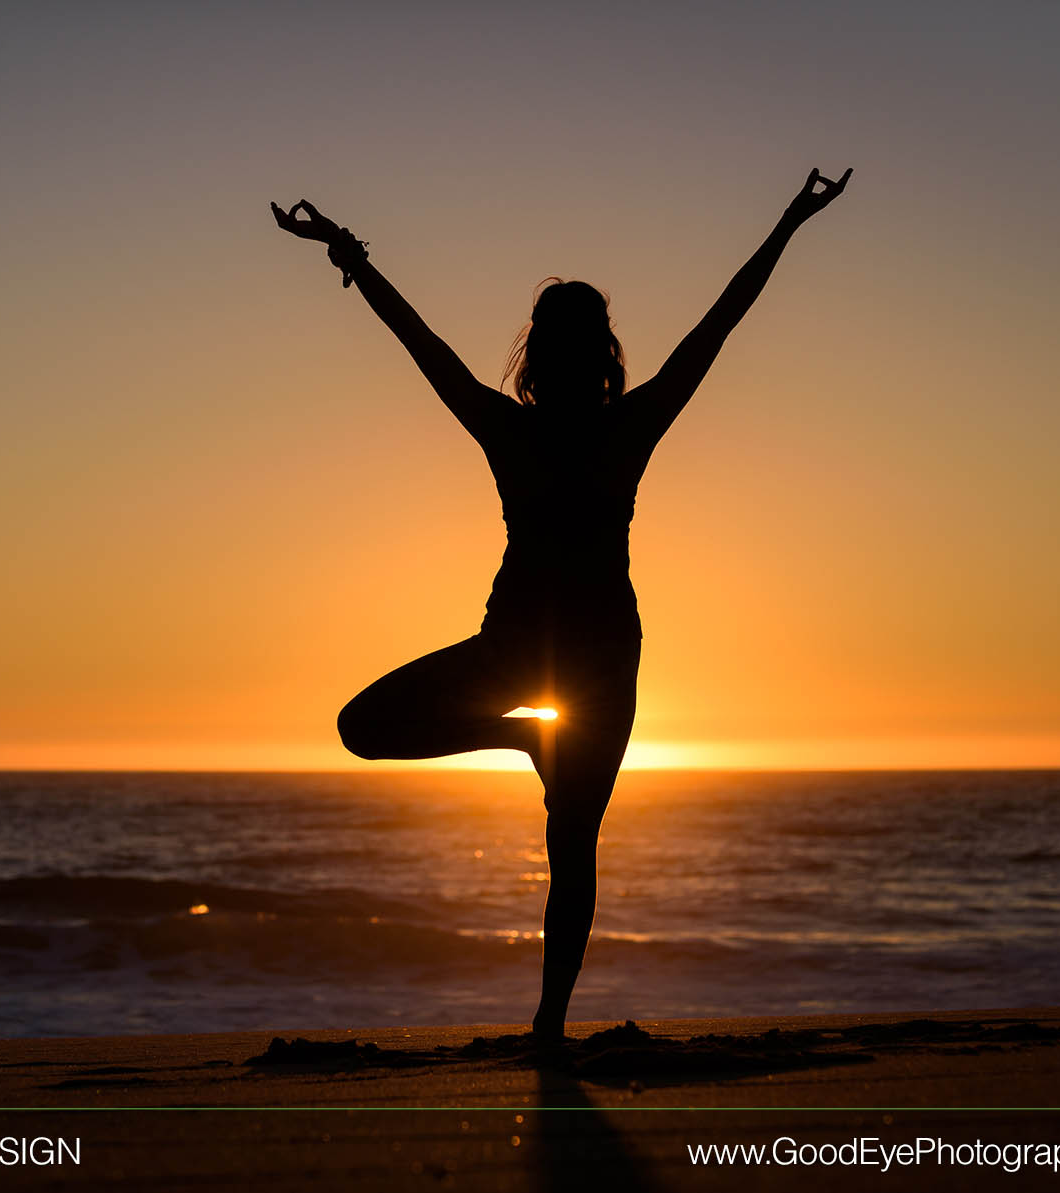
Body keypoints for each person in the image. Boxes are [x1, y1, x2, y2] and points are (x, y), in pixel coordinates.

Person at [272, 168, 852, 1040]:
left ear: (541, 357)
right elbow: (720, 321)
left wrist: (347, 252)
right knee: (568, 844)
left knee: (531, 821)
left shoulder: (525, 430)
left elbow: (419, 340)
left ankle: (549, 1024)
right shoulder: (623, 427)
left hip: (541, 652)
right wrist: (789, 221)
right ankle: (545, 998)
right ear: (603, 353)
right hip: (580, 653)